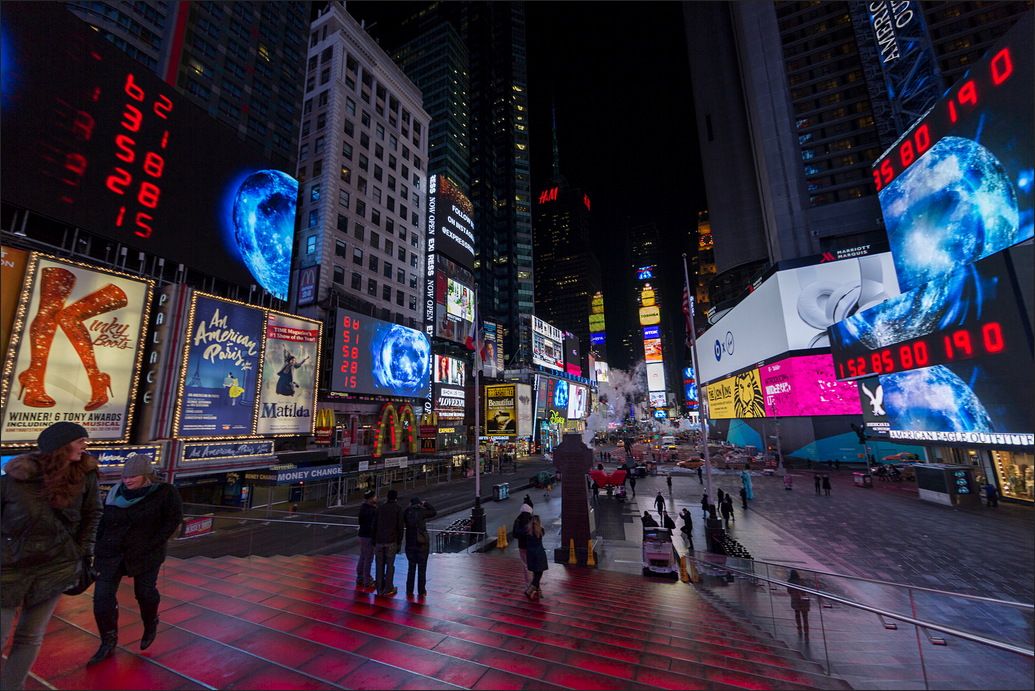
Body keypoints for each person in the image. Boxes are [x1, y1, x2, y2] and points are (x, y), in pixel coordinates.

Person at [1, 422, 101, 690]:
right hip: (9, 567)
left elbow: (92, 515)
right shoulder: (14, 478)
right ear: (60, 445)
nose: (85, 446)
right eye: (80, 440)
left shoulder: (86, 476)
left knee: (30, 636)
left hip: (56, 568)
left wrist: (82, 554)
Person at [88, 456, 183, 665]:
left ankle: (150, 622)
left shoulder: (165, 492)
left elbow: (173, 520)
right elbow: (103, 521)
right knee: (102, 599)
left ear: (146, 476)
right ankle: (108, 641)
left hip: (146, 553)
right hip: (110, 552)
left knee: (145, 592)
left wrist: (152, 543)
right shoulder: (114, 493)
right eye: (125, 476)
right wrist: (97, 546)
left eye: (132, 476)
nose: (127, 480)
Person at [403, 497, 436, 598]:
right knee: (422, 569)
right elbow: (434, 512)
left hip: (410, 543)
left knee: (411, 568)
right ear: (419, 504)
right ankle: (421, 591)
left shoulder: (407, 512)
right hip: (421, 543)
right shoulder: (422, 511)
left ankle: (409, 590)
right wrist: (425, 503)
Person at [373, 489, 404, 596]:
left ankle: (379, 588)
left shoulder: (380, 508)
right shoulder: (398, 509)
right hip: (391, 541)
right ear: (395, 498)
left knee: (379, 566)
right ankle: (388, 588)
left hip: (379, 541)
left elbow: (374, 525)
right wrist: (399, 542)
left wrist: (374, 540)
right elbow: (400, 527)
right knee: (390, 566)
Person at [523, 515, 549, 600]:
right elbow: (542, 532)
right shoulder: (541, 530)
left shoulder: (527, 530)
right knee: (539, 573)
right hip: (539, 554)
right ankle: (530, 590)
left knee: (535, 573)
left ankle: (538, 591)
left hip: (530, 554)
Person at [356, 490, 378, 589]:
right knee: (368, 558)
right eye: (375, 496)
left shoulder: (363, 508)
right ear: (371, 498)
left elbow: (360, 521)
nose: (376, 498)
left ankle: (360, 577)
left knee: (363, 556)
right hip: (369, 536)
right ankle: (367, 580)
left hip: (362, 534)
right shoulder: (372, 510)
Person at [512, 504, 534, 584]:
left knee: (525, 565)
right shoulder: (532, 519)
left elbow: (514, 534)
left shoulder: (518, 520)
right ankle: (534, 583)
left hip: (522, 546)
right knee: (533, 564)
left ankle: (528, 583)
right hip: (532, 546)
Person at [786, 570, 811, 636]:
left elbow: (789, 591)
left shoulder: (790, 582)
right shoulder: (802, 581)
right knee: (805, 616)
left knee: (797, 615)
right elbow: (805, 589)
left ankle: (799, 627)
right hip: (803, 600)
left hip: (795, 600)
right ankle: (806, 630)